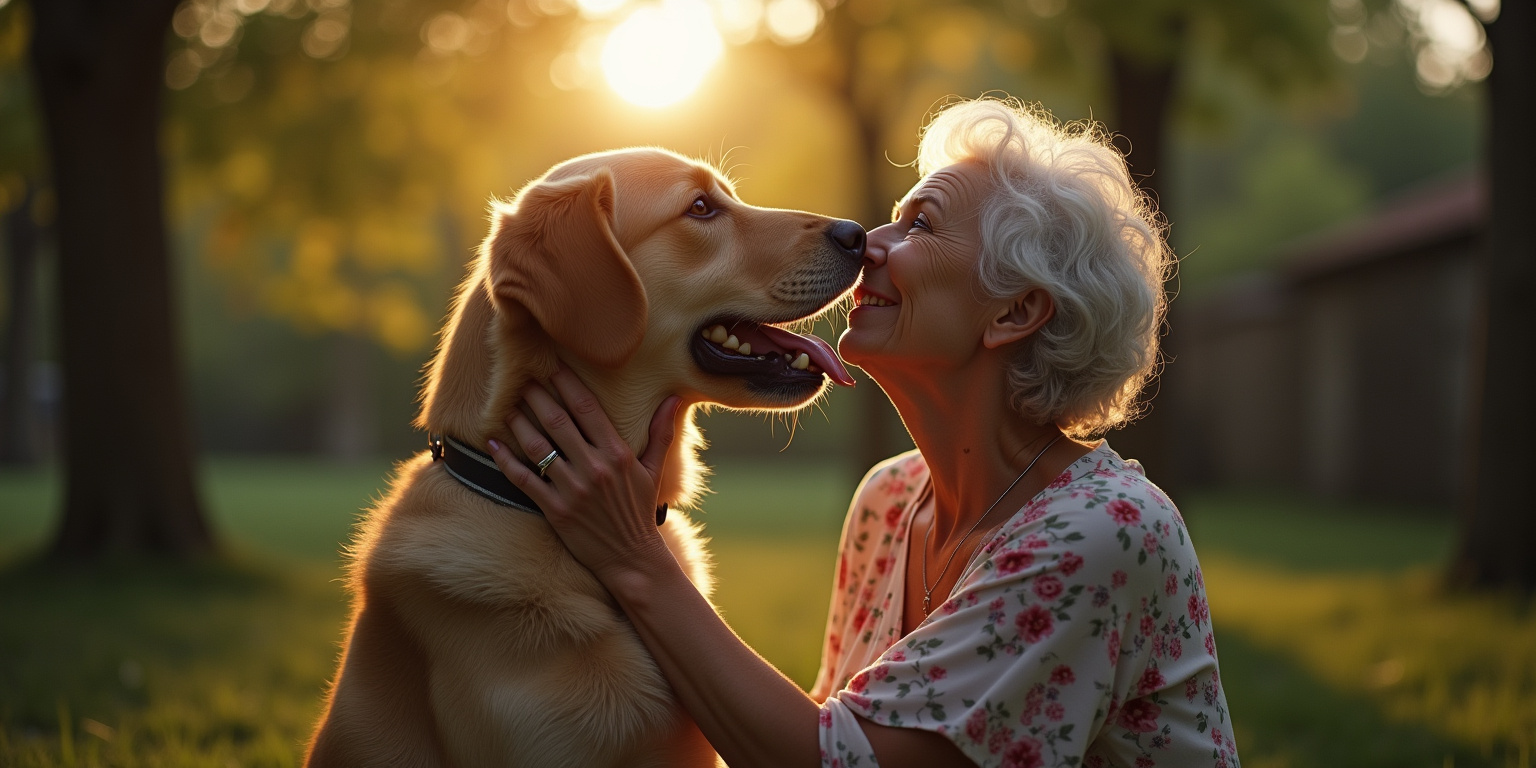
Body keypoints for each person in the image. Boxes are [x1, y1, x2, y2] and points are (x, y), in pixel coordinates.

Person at [487, 96, 1239, 768]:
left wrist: (633, 560)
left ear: (1014, 313)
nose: (868, 242)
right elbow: (822, 727)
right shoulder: (890, 500)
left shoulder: (1105, 531)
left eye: (922, 226)